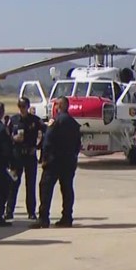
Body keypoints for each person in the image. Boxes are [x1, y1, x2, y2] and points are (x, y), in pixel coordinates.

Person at [32, 96, 81, 229]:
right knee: (67, 190)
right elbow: (78, 144)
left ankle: (43, 218)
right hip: (69, 161)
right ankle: (67, 217)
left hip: (54, 162)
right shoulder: (73, 123)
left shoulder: (55, 122)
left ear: (59, 106)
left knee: (45, 189)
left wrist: (45, 159)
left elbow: (48, 141)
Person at [5, 96, 44, 221]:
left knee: (30, 185)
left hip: (30, 156)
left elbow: (46, 132)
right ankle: (9, 211)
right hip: (17, 156)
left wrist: (38, 146)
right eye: (20, 106)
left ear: (28, 107)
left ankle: (31, 211)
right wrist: (13, 139)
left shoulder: (35, 120)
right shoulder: (13, 120)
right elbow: (6, 136)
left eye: (24, 106)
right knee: (13, 183)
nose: (22, 109)